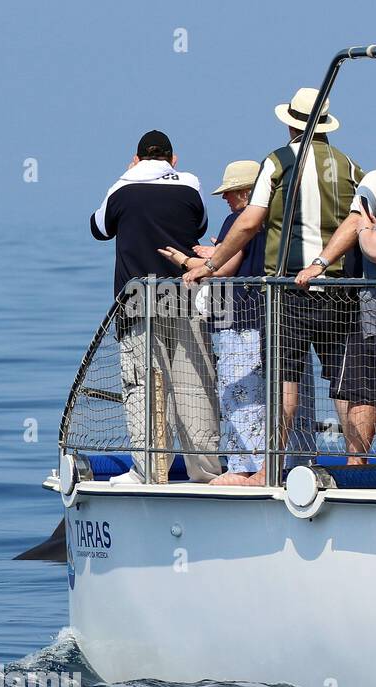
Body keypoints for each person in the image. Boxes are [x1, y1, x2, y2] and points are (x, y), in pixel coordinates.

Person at [183, 88, 362, 484]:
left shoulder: (278, 162)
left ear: (291, 124)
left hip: (288, 290)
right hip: (340, 290)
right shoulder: (350, 166)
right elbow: (359, 222)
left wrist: (211, 262)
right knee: (346, 386)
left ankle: (269, 469)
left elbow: (250, 222)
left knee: (284, 384)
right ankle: (356, 467)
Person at [91, 130, 219, 483]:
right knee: (196, 386)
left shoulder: (122, 187)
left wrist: (128, 175)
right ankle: (206, 471)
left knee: (144, 385)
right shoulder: (190, 185)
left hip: (138, 300)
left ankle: (150, 470)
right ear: (173, 159)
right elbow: (201, 224)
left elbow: (99, 228)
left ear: (136, 159)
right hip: (188, 295)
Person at [160, 160, 266, 482]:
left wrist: (184, 261)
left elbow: (224, 268)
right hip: (268, 318)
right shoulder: (272, 223)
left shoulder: (239, 220)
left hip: (241, 319)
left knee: (238, 393)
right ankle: (275, 462)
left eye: (230, 192)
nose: (225, 199)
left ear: (245, 192)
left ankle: (244, 467)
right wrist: (214, 251)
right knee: (269, 394)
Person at [296, 162, 376, 463]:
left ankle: (356, 464)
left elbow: (371, 245)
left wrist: (319, 263)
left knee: (361, 391)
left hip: (373, 313)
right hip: (370, 311)